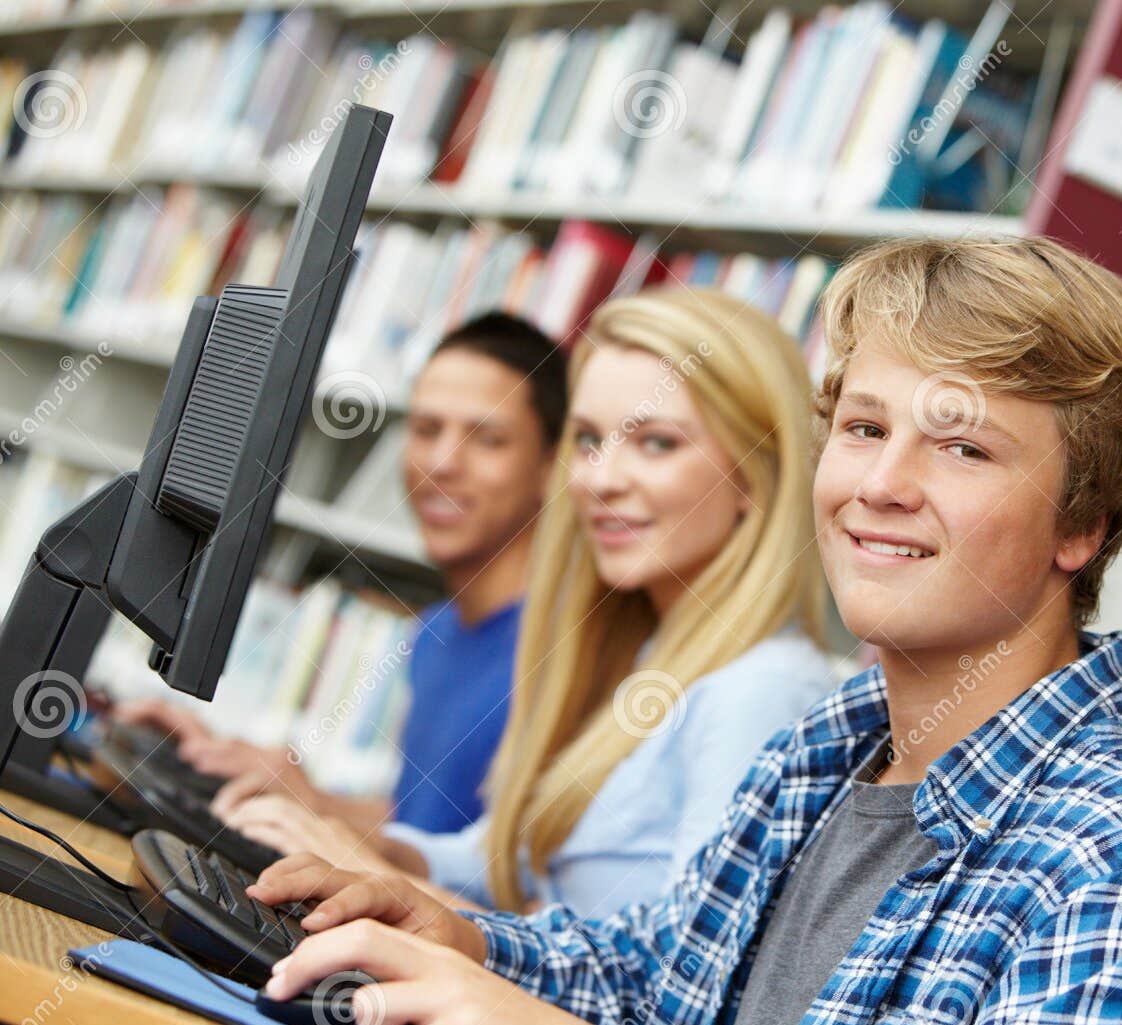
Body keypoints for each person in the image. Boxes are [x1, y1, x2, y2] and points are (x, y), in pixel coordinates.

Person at [252, 235, 1122, 1025]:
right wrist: (462, 937)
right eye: (865, 426)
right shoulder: (825, 754)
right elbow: (662, 978)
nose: (881, 483)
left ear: (1083, 523)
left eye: (963, 446)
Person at [225, 286, 841, 916]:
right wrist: (344, 839)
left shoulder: (762, 691)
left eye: (656, 443)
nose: (600, 479)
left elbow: (676, 984)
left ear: (756, 474)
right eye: (588, 440)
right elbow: (507, 867)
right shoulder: (649, 651)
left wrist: (395, 886)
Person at [114, 311, 567, 837]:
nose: (442, 462)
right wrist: (267, 779)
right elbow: (427, 830)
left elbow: (504, 883)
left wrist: (312, 805)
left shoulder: (570, 654)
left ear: (553, 464)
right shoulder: (435, 631)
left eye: (487, 438)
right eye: (425, 429)